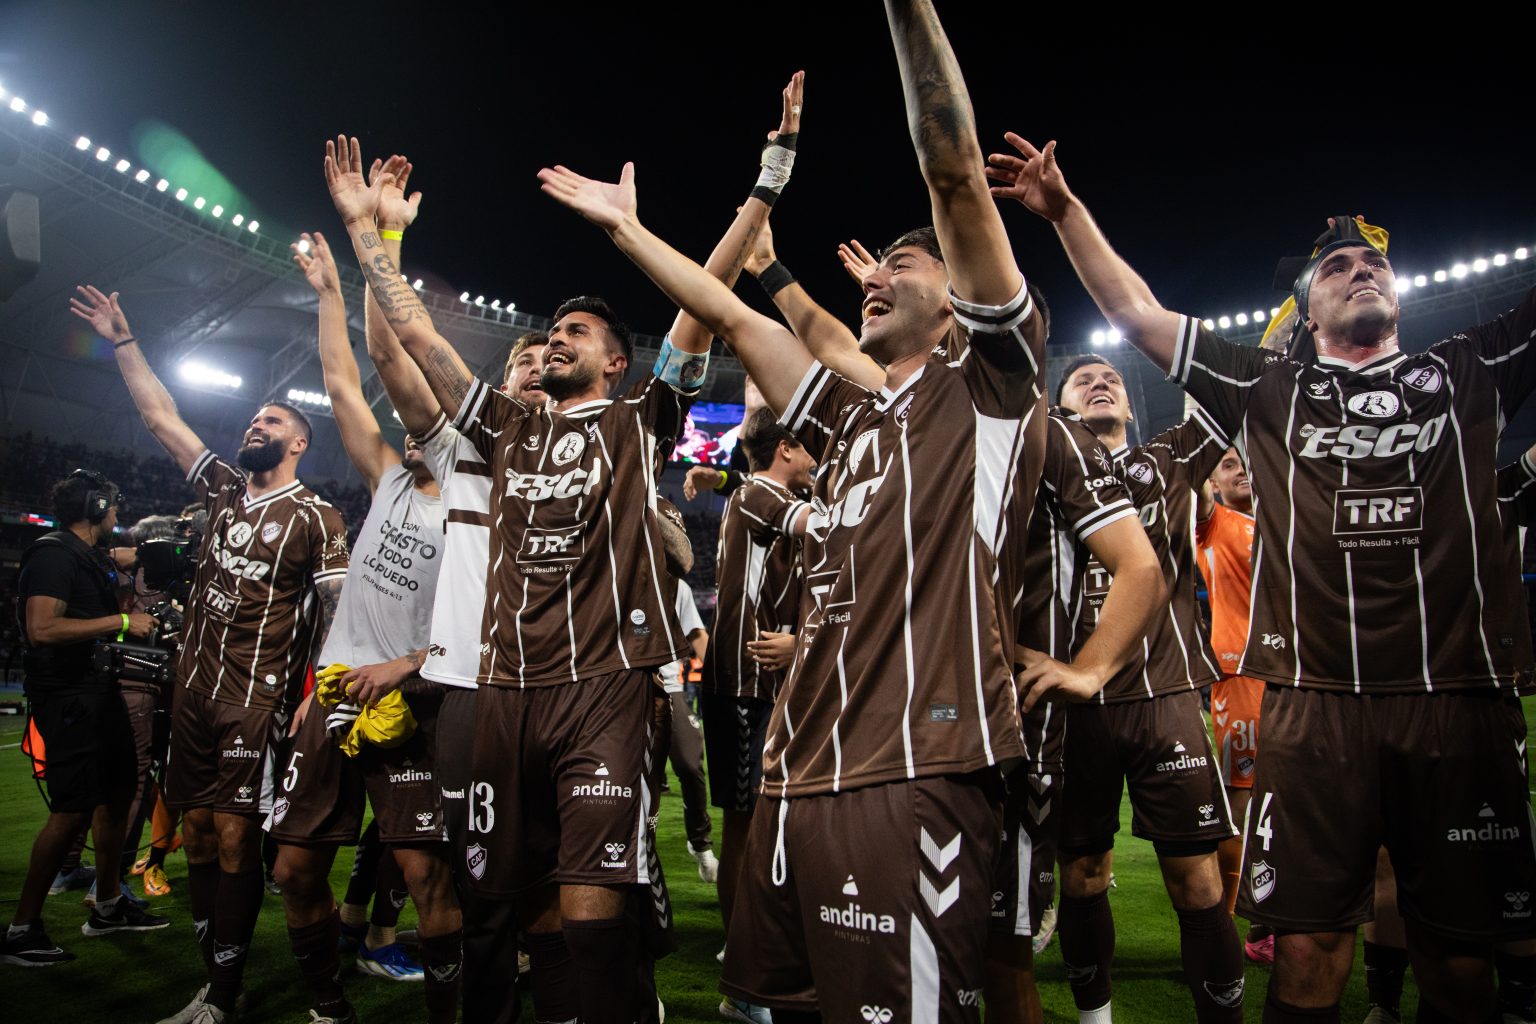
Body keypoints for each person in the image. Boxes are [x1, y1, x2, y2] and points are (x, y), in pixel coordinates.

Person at [539, 4, 1049, 1016]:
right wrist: (626, 229)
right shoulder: (852, 417)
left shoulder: (991, 386)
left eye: (905, 266)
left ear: (958, 297)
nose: (877, 278)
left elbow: (953, 171)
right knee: (792, 1000)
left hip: (918, 761)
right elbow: (731, 314)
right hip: (799, 758)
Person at [989, 130, 1536, 1023]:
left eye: (1373, 264)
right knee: (1308, 953)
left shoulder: (1469, 369)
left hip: (1458, 697)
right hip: (1313, 707)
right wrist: (1064, 212)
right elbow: (1138, 313)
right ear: (1306, 313)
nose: (1360, 272)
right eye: (1337, 269)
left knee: (1461, 963)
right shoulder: (1269, 387)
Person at [324, 130, 715, 1024]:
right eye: (542, 341)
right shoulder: (491, 434)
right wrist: (368, 234)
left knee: (591, 909)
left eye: (571, 336)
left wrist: (711, 210)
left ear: (613, 361)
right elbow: (409, 339)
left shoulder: (635, 424)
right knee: (492, 900)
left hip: (602, 683)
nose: (550, 347)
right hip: (493, 690)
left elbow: (702, 314)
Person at [71, 285, 350, 1024]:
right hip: (191, 692)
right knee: (193, 835)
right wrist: (123, 340)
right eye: (255, 417)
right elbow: (162, 418)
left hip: (253, 703)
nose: (257, 424)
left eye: (274, 421)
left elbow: (337, 613)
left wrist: (318, 695)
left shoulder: (317, 517)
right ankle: (216, 983)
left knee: (233, 839)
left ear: (298, 444)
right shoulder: (223, 488)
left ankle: (224, 997)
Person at [262, 227, 460, 1024]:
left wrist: (406, 665)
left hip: (418, 700)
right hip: (338, 691)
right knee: (292, 870)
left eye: (423, 413)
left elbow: (486, 623)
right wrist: (330, 294)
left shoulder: (480, 508)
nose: (407, 423)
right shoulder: (387, 478)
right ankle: (326, 1005)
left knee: (427, 878)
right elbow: (344, 383)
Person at [1041, 354, 1244, 1023]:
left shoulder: (1172, 459)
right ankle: (1094, 1018)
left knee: (1198, 881)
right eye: (1083, 380)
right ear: (1060, 408)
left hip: (1166, 698)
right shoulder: (1039, 476)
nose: (1101, 383)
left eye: (1113, 381)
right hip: (1075, 709)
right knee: (1082, 874)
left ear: (1131, 407)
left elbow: (1232, 388)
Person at [1, 471, 168, 967]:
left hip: (97, 690)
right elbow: (42, 627)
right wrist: (123, 621)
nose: (116, 513)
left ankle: (109, 905)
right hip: (69, 698)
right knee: (72, 808)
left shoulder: (84, 554)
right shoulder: (53, 554)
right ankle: (21, 929)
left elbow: (116, 562)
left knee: (117, 793)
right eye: (112, 505)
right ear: (95, 507)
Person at [1195, 448, 1272, 962]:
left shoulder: (1285, 516)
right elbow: (1192, 479)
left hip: (1299, 674)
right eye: (1226, 464)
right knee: (1242, 804)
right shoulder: (1214, 522)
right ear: (1214, 483)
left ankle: (1269, 923)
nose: (1240, 468)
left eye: (1246, 460)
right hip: (1242, 675)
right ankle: (1228, 924)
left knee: (1291, 804)